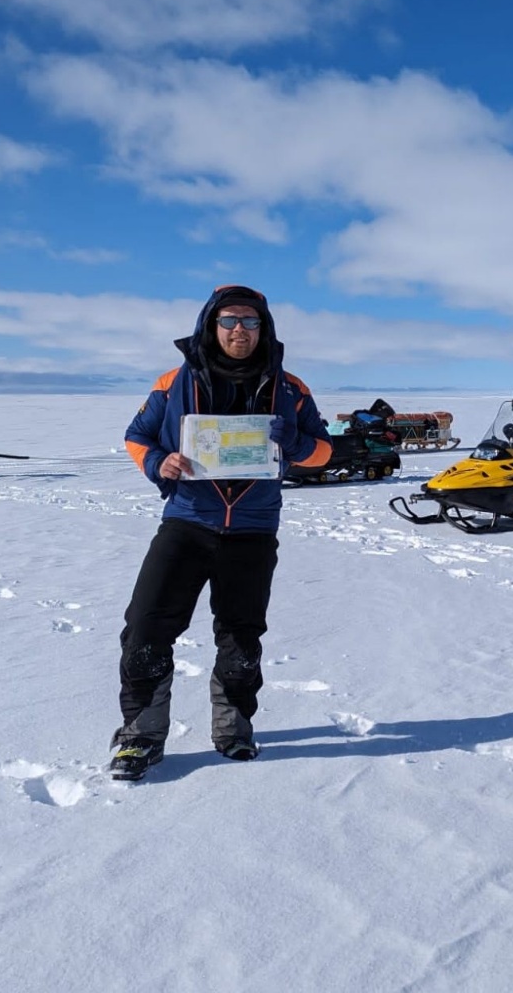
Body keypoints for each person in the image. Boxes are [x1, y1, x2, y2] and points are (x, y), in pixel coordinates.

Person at [110, 285, 333, 780]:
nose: (239, 330)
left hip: (253, 528)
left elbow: (323, 452)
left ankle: (234, 729)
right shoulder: (173, 382)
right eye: (229, 320)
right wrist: (156, 461)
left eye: (250, 322)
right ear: (211, 324)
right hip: (187, 521)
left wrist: (296, 442)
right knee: (146, 627)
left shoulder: (291, 388)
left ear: (264, 329)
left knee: (241, 638)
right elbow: (135, 436)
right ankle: (140, 737)